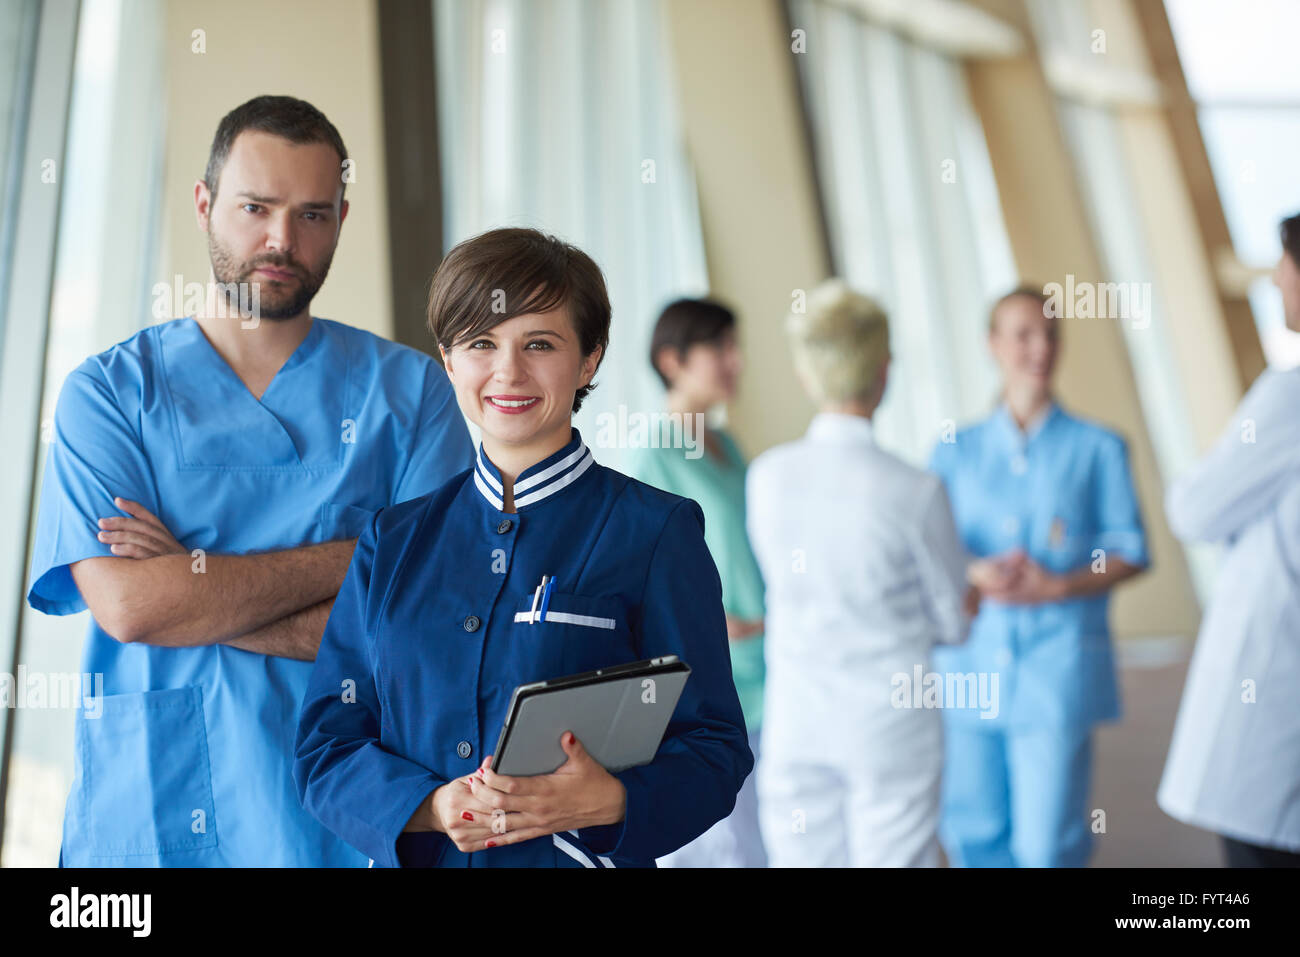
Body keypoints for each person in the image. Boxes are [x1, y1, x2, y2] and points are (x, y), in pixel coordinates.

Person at [25, 95, 473, 866]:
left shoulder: (411, 395)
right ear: (204, 204)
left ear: (341, 218)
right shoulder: (108, 394)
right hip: (152, 815)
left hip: (339, 813)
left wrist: (190, 592)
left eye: (313, 215)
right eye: (255, 207)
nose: (281, 240)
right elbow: (132, 607)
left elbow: (422, 635)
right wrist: (369, 554)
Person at [293, 227, 753, 868]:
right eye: (481, 344)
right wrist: (431, 807)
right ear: (449, 361)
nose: (508, 371)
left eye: (540, 343)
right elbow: (326, 746)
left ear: (589, 359)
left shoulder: (654, 531)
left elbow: (714, 745)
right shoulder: (392, 541)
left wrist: (611, 799)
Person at [746, 280, 973, 867]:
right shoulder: (916, 489)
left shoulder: (767, 477)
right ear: (885, 371)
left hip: (798, 718)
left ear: (807, 375)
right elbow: (952, 621)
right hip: (889, 721)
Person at [928, 286, 1148, 867]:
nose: (1041, 347)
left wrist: (1061, 584)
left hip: (1057, 672)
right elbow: (931, 548)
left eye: (1051, 333)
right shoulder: (954, 449)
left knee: (1047, 845)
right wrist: (973, 568)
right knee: (975, 835)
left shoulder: (1099, 447)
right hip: (969, 671)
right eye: (1024, 333)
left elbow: (1128, 549)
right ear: (993, 344)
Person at [1156, 213, 1300, 866]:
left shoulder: (1288, 398)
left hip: (1274, 694)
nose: (1276, 279)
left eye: (1285, 265)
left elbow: (1194, 509)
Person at [629, 298, 767, 868]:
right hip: (718, 675)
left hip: (768, 663)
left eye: (736, 347)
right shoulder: (653, 458)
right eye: (719, 348)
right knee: (733, 845)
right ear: (672, 360)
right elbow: (643, 580)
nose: (734, 361)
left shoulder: (727, 446)